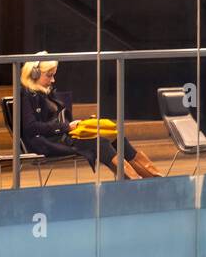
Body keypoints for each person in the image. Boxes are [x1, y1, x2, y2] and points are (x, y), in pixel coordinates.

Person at [18, 56, 162, 179]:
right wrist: (66, 127)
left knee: (116, 138)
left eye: (53, 75)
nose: (53, 80)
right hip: (47, 142)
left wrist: (75, 126)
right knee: (101, 143)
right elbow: (31, 128)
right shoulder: (27, 96)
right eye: (49, 75)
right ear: (35, 74)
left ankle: (156, 178)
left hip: (63, 136)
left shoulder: (46, 93)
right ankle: (135, 182)